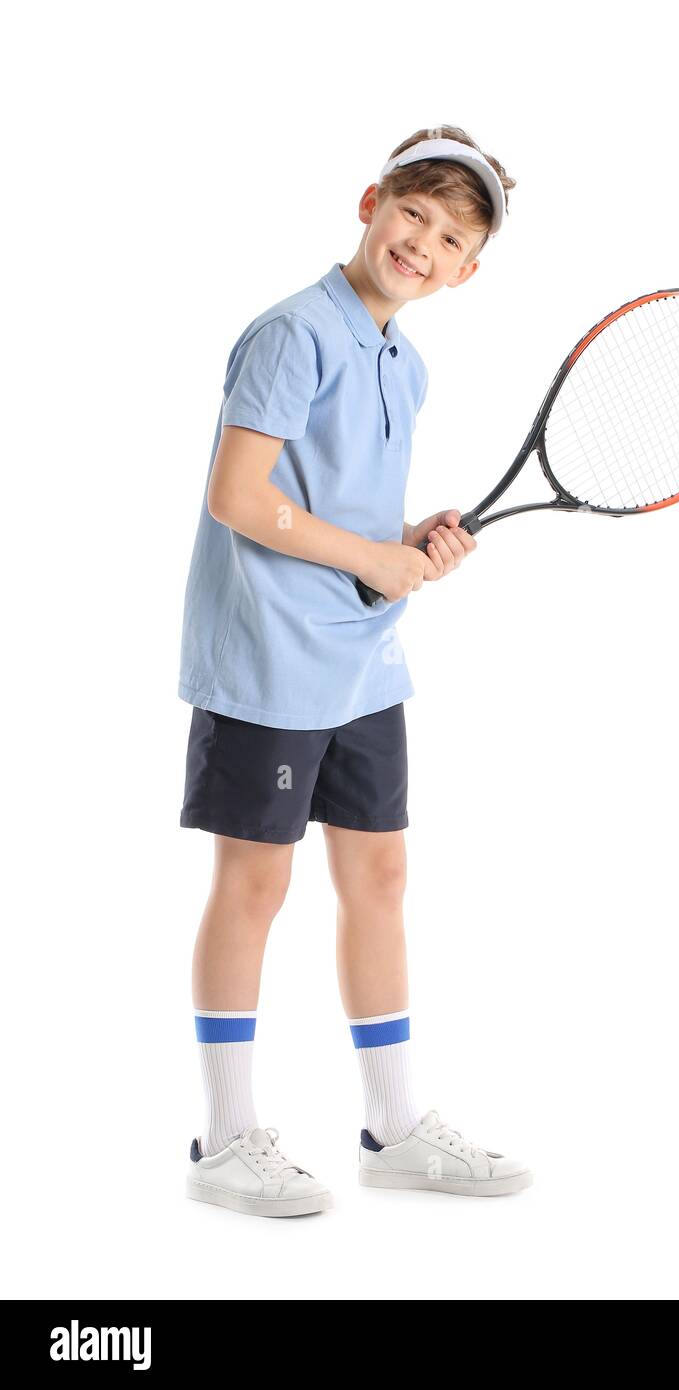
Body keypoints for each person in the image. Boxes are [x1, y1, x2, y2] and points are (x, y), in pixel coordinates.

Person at [179, 125, 532, 1217]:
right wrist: (370, 555)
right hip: (273, 664)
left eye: (449, 236)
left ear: (467, 272)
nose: (420, 242)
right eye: (412, 214)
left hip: (363, 664)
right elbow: (238, 496)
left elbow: (338, 510)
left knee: (377, 879)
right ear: (370, 199)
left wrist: (404, 537)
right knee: (258, 884)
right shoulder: (294, 333)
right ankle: (225, 1141)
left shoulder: (403, 359)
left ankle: (393, 1126)